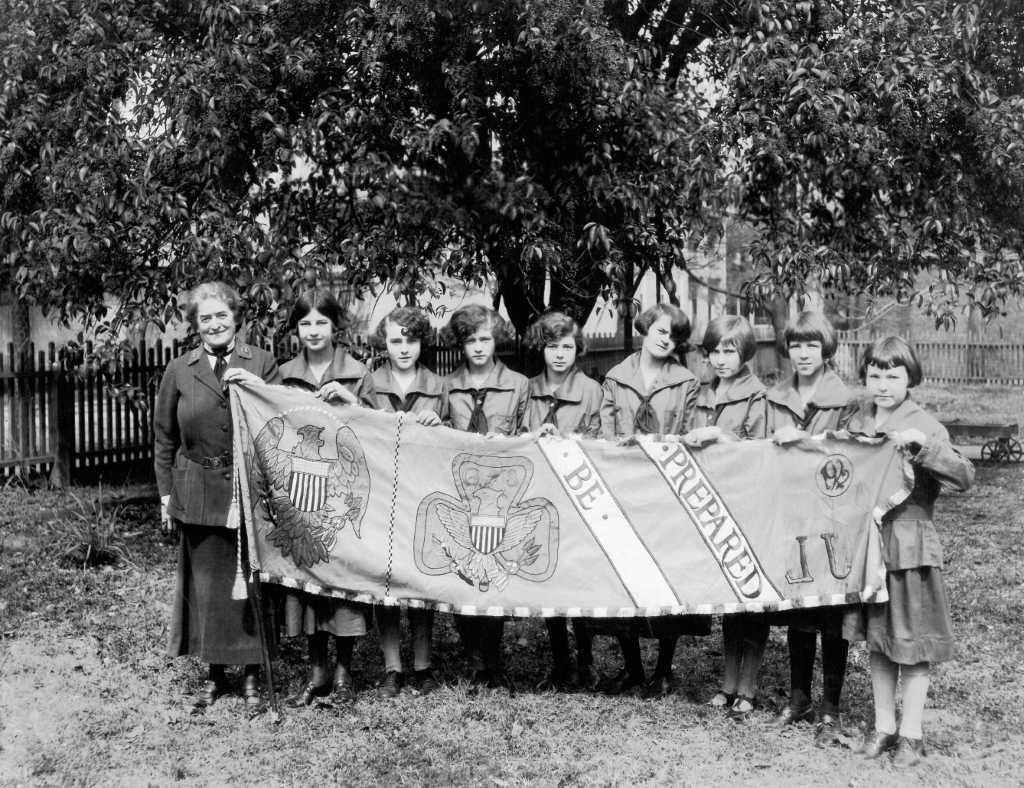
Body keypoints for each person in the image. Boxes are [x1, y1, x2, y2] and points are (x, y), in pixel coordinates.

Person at [845, 336, 973, 767]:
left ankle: (912, 735)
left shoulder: (925, 424)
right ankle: (883, 727)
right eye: (875, 374)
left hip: (912, 544)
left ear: (910, 378)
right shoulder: (856, 419)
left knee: (912, 643)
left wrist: (925, 448)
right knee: (879, 642)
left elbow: (964, 476)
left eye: (893, 375)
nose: (883, 384)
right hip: (871, 547)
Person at [155, 281, 281, 711]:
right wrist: (165, 495)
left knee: (247, 584)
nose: (214, 324)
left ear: (236, 317)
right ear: (195, 324)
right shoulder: (179, 369)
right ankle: (214, 674)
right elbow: (163, 439)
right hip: (198, 490)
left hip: (248, 490)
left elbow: (280, 422)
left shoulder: (260, 361)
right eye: (205, 317)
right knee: (208, 586)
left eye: (221, 315)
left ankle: (250, 674)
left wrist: (258, 387)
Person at [278, 288, 377, 707]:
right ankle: (316, 669)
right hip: (302, 495)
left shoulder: (358, 373)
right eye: (305, 323)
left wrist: (352, 401)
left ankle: (343, 672)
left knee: (342, 581)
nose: (313, 331)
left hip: (342, 495)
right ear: (296, 329)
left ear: (335, 327)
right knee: (308, 583)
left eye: (321, 322)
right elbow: (272, 427)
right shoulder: (283, 375)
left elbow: (376, 431)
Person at [599, 303, 701, 696]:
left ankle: (663, 669)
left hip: (666, 489)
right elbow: (604, 431)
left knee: (665, 577)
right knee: (624, 575)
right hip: (624, 485)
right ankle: (632, 667)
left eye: (674, 336)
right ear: (645, 329)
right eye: (660, 331)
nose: (665, 339)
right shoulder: (616, 377)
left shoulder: (686, 381)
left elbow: (691, 432)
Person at [766, 310, 856, 744]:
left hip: (834, 517)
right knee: (798, 607)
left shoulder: (846, 399)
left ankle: (831, 707)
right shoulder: (774, 397)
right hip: (790, 513)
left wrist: (804, 443)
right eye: (796, 345)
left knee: (833, 610)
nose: (803, 354)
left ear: (826, 350)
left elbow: (853, 454)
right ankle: (799, 698)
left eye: (812, 346)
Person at [683, 315, 767, 719]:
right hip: (712, 503)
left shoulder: (757, 395)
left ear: (745, 352)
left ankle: (748, 687)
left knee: (750, 601)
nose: (720, 359)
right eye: (714, 351)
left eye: (729, 351)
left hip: (748, 503)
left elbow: (761, 450)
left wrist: (721, 436)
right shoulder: (702, 393)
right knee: (730, 601)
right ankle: (727, 681)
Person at [442, 304, 529, 688]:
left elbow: (528, 439)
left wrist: (509, 444)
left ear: (496, 340)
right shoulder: (449, 385)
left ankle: (493, 662)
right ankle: (476, 661)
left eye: (485, 338)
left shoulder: (518, 384)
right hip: (463, 495)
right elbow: (440, 439)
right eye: (470, 340)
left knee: (493, 577)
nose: (478, 347)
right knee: (464, 574)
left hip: (502, 497)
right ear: (461, 344)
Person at [522, 311, 603, 691]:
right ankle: (559, 660)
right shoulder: (528, 388)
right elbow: (517, 438)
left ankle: (585, 660)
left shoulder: (591, 390)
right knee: (549, 576)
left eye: (567, 347)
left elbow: (602, 443)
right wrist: (536, 437)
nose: (558, 354)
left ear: (578, 349)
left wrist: (571, 442)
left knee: (579, 577)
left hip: (578, 494)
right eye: (552, 346)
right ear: (541, 348)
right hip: (541, 493)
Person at [370, 306, 447, 698]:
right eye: (396, 340)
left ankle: (422, 664)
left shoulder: (438, 385)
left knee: (420, 579)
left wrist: (441, 426)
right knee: (386, 583)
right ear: (384, 343)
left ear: (422, 343)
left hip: (422, 494)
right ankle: (391, 667)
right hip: (384, 495)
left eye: (411, 340)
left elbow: (456, 444)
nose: (403, 348)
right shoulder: (371, 384)